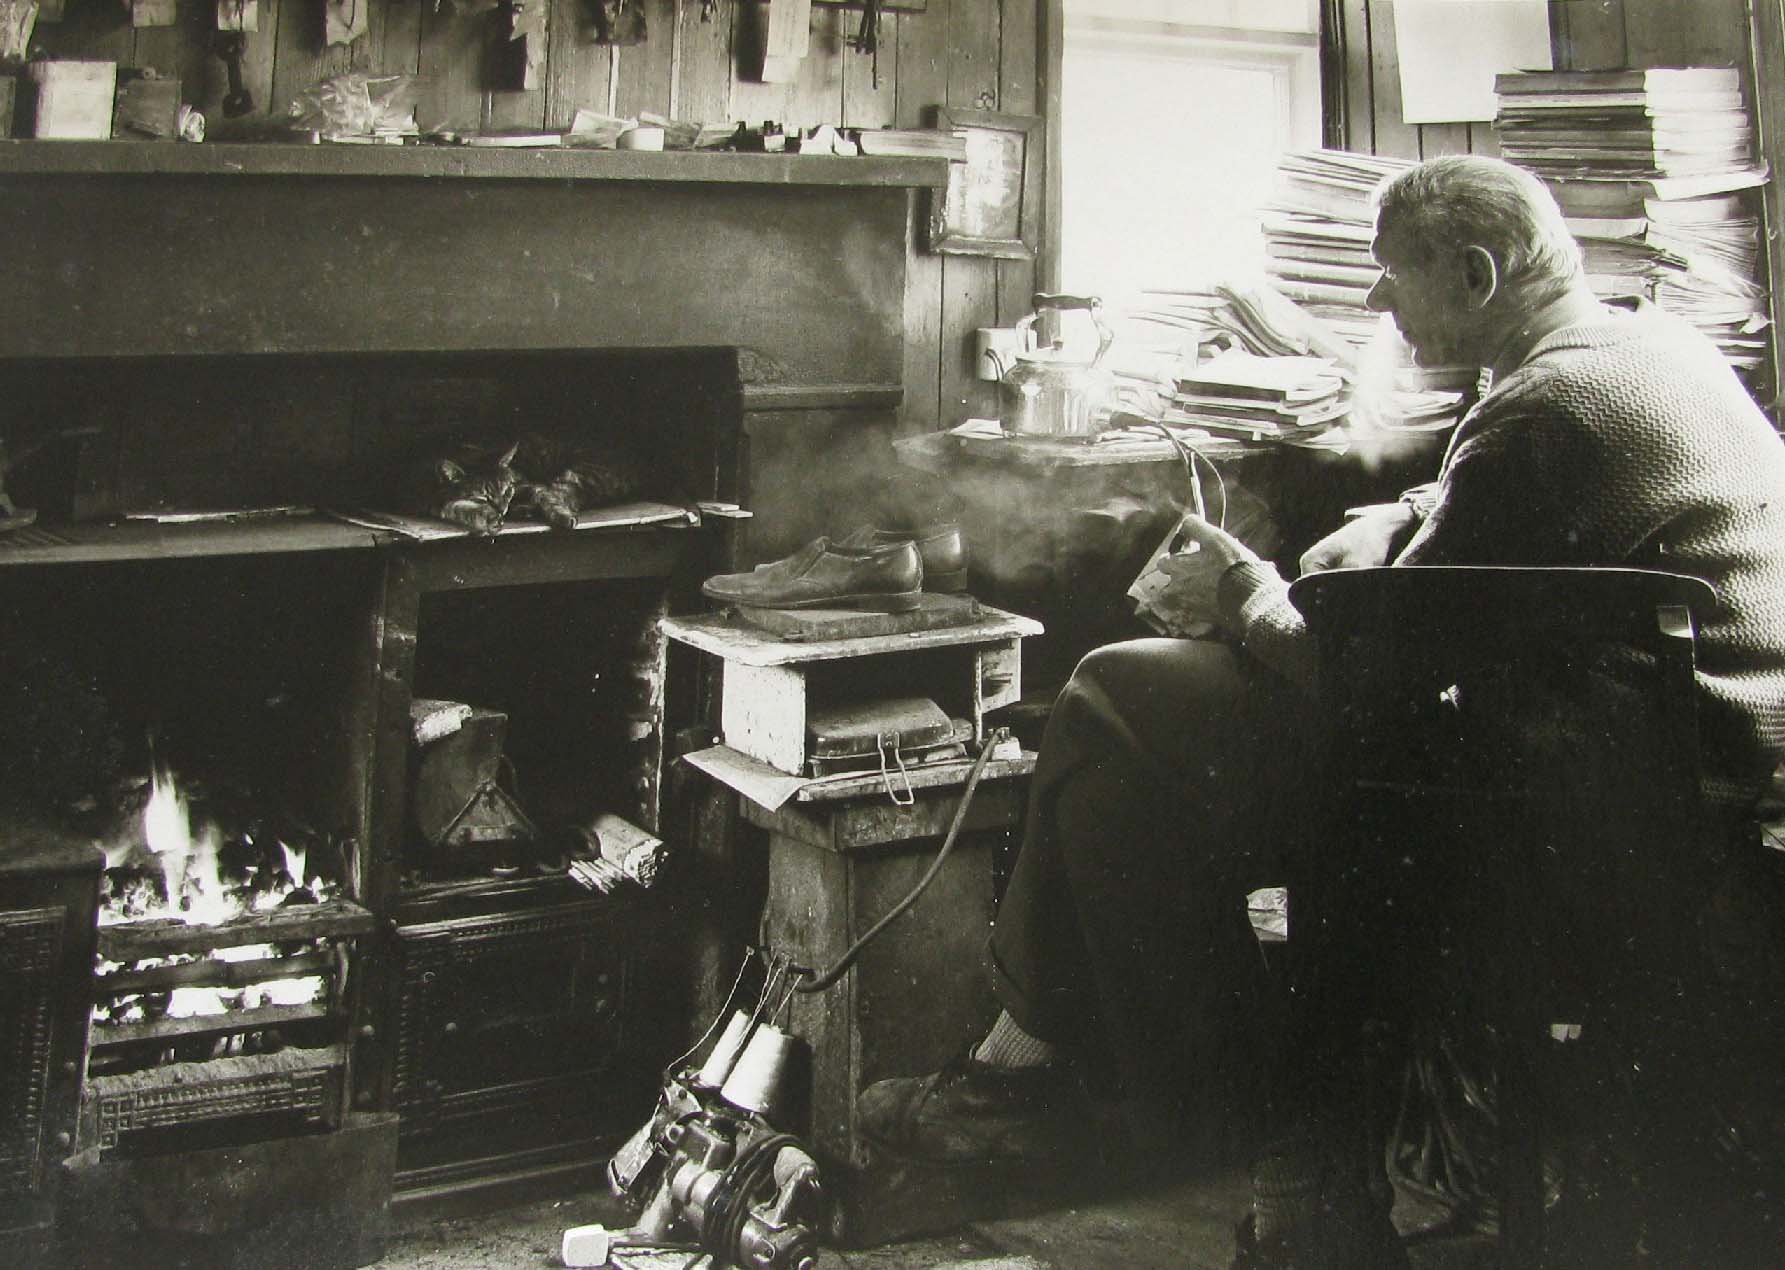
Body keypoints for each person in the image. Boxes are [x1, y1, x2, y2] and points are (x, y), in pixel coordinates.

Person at [856, 155, 1785, 1264]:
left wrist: (1243, 590)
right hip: (1691, 770)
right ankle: (1124, 1111)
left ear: (1479, 274)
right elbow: (1502, 499)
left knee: (1117, 697)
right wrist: (1401, 514)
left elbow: (1361, 679)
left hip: (1622, 822)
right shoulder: (1645, 347)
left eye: (1392, 277)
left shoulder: (1545, 412)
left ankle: (1074, 1087)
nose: (1374, 303)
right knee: (1129, 777)